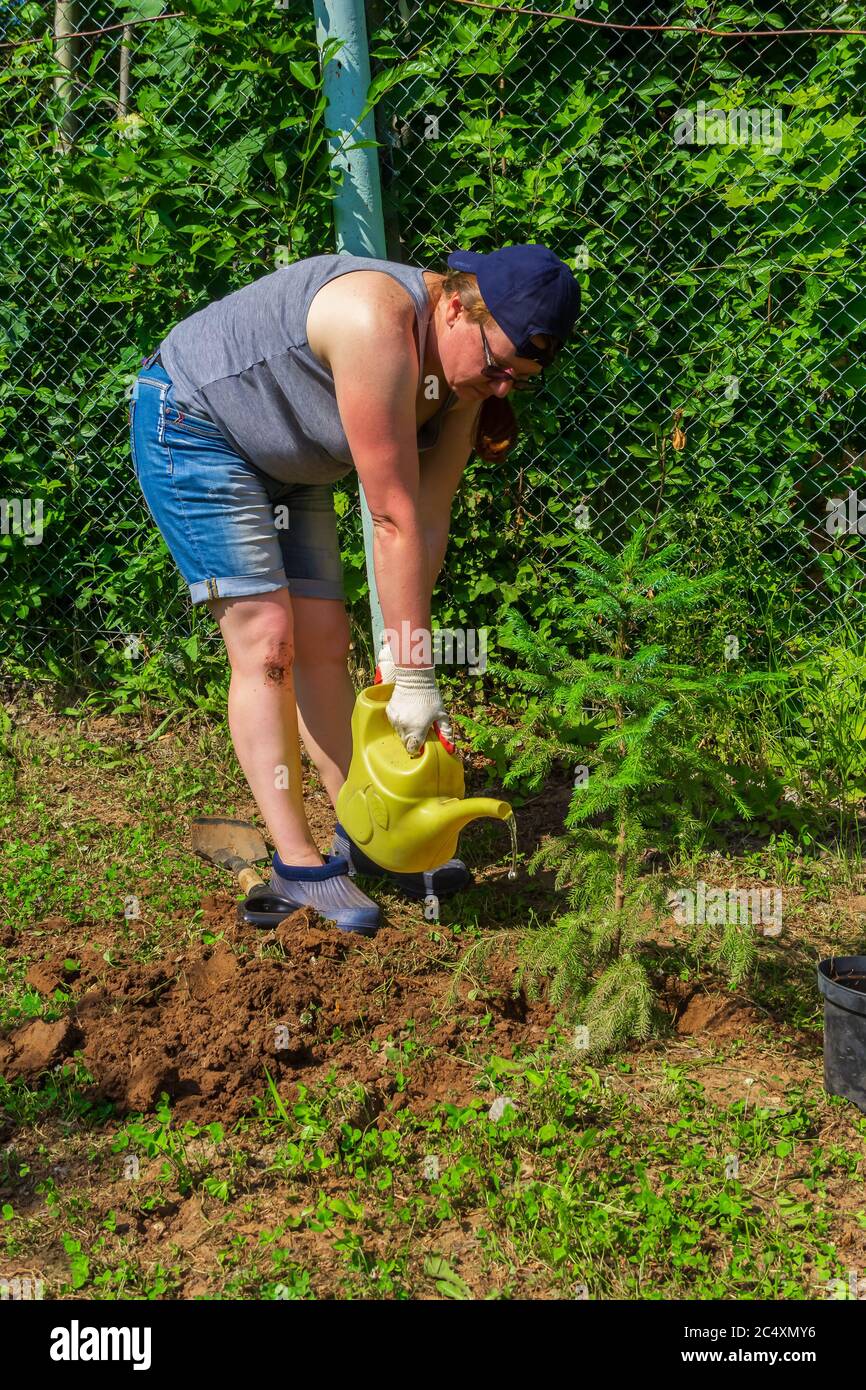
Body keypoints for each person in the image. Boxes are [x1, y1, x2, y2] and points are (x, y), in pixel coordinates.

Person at [129, 243, 580, 935]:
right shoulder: (376, 320)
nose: (497, 390)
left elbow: (426, 524)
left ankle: (366, 831)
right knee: (268, 641)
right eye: (495, 368)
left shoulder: (462, 384)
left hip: (288, 463)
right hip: (197, 426)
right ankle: (297, 866)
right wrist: (416, 672)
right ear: (457, 305)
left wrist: (402, 662)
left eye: (516, 382)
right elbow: (391, 516)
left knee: (325, 640)